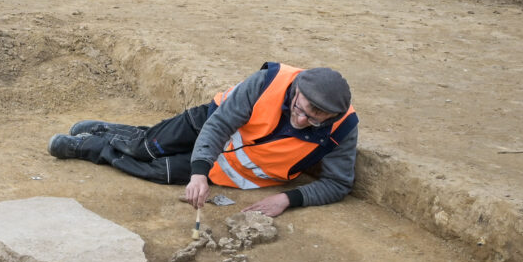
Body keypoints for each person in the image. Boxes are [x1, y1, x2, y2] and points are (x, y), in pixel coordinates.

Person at [47, 62, 357, 217]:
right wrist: (198, 172)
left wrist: (287, 199)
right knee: (145, 148)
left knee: (155, 171)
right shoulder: (268, 82)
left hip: (232, 167)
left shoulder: (342, 129)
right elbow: (220, 125)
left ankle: (91, 147)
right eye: (300, 110)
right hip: (206, 124)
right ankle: (107, 131)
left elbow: (338, 184)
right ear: (297, 90)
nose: (302, 121)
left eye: (315, 120)